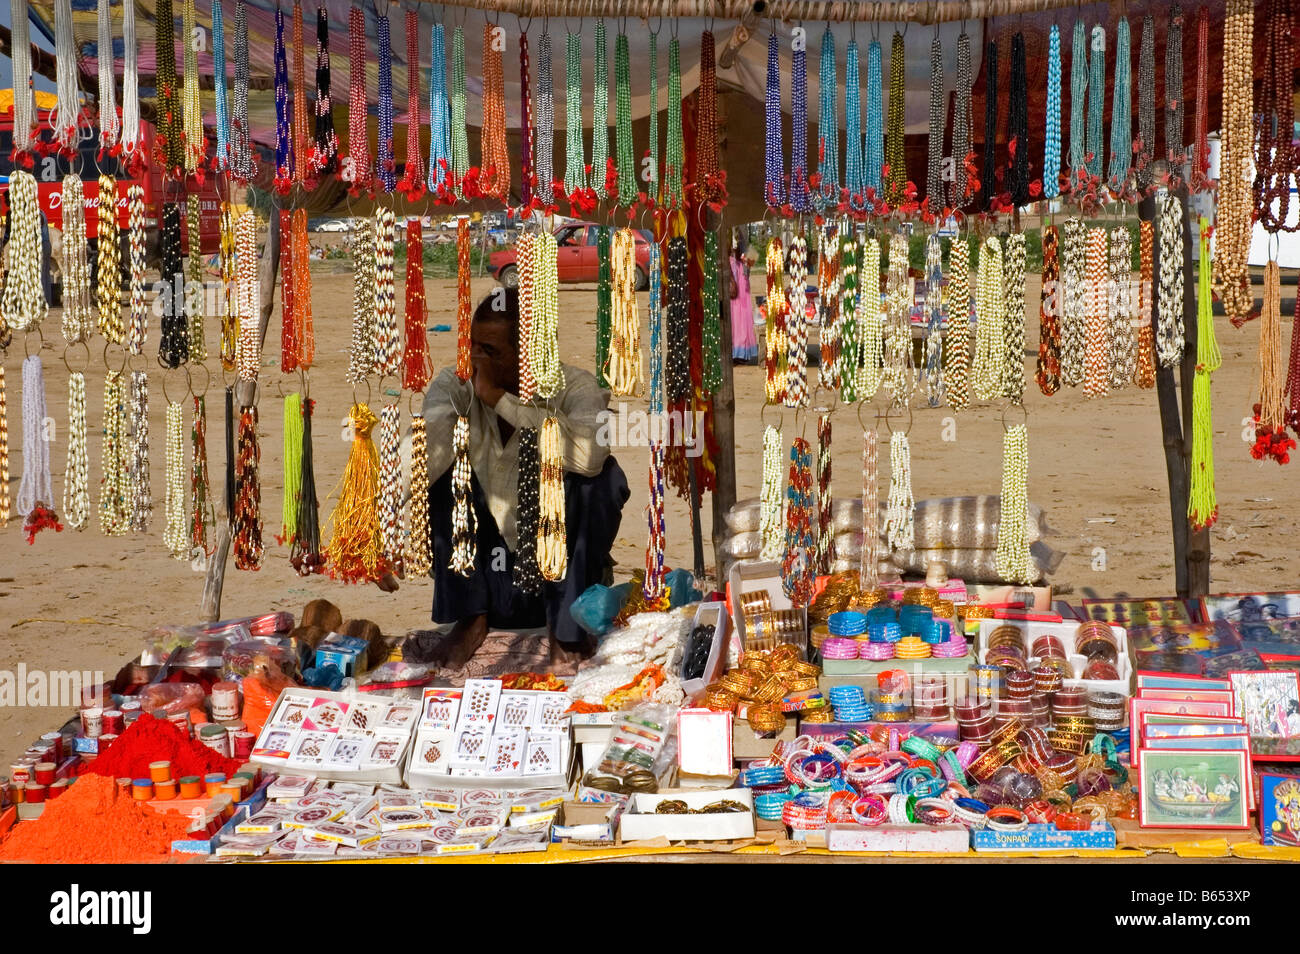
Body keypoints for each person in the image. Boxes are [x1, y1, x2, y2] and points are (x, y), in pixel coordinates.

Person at [389, 288, 630, 670]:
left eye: (491, 351)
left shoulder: (576, 387)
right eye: (474, 346)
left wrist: (501, 400)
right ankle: (470, 620)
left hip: (556, 579)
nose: (476, 359)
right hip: (487, 576)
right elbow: (422, 450)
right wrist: (378, 521)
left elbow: (588, 457)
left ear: (528, 355)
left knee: (601, 480)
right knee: (445, 464)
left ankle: (565, 633)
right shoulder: (456, 384)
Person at [729, 236, 759, 363]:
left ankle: (742, 351)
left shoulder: (741, 233)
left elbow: (746, 254)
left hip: (741, 275)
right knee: (736, 315)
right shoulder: (726, 233)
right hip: (734, 273)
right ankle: (736, 350)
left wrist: (747, 260)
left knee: (742, 315)